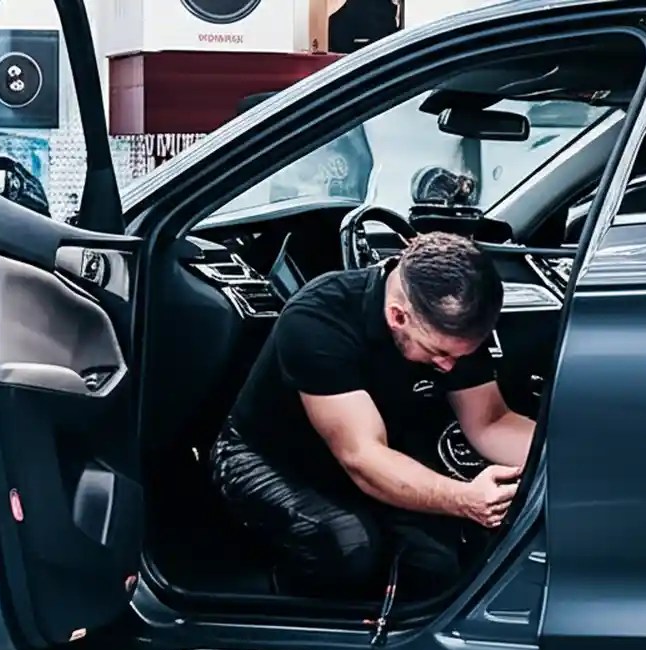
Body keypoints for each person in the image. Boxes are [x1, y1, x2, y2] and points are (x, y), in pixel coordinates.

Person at [211, 232, 536, 599]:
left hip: (375, 452)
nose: (449, 368)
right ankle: (274, 612)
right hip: (264, 459)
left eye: (460, 357)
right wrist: (466, 499)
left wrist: (576, 458)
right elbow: (363, 458)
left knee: (437, 564)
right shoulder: (318, 320)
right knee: (347, 545)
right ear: (398, 316)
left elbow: (490, 423)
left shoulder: (453, 324)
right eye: (439, 354)